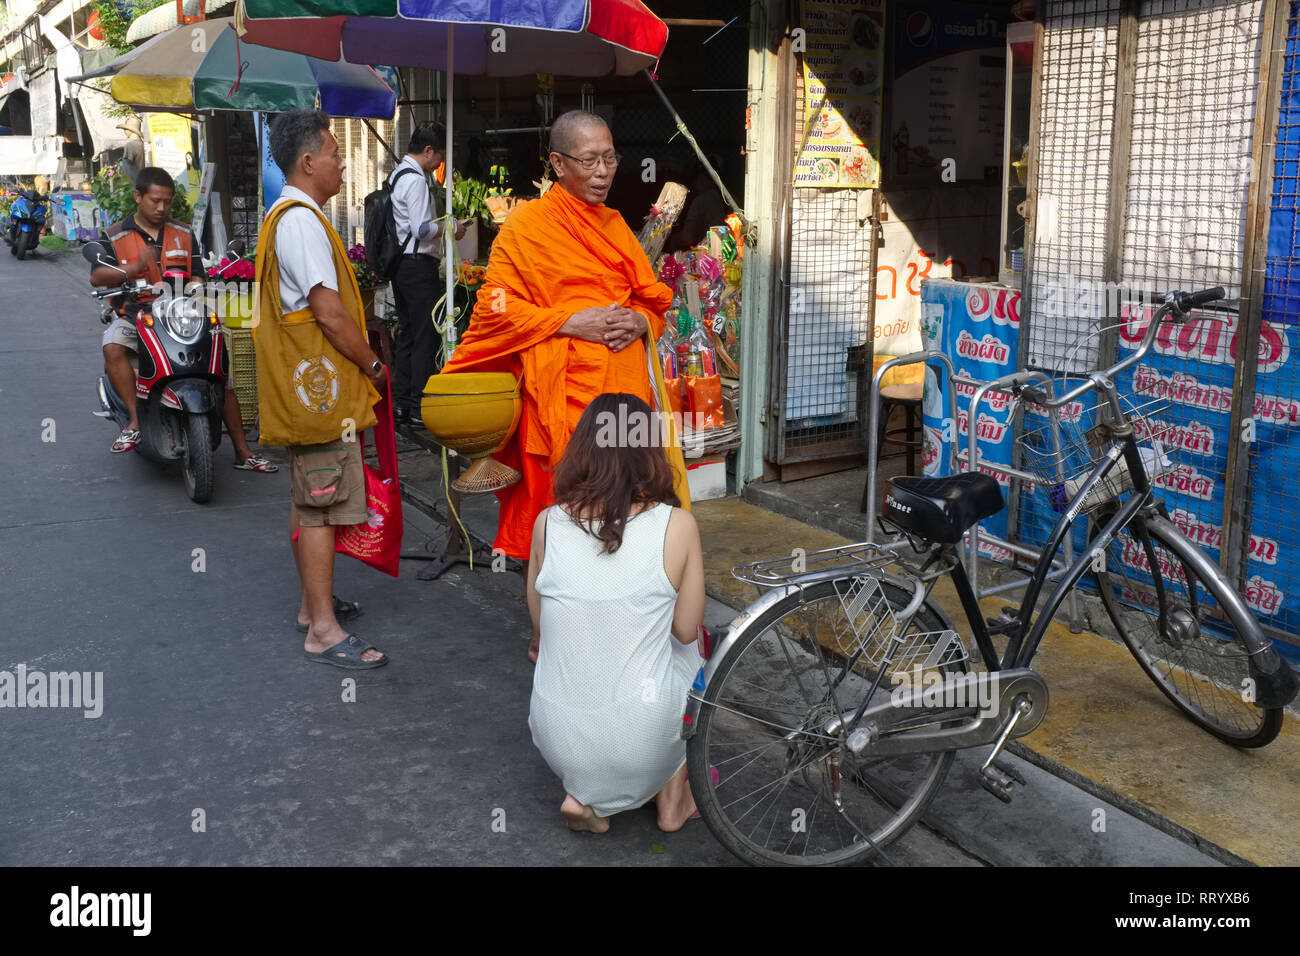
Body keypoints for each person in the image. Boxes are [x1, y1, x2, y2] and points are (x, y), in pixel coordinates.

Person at [439, 110, 691, 662]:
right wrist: (566, 321)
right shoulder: (527, 229)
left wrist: (641, 323)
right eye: (589, 160)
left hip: (624, 400)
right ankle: (548, 634)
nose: (603, 172)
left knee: (627, 507)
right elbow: (494, 308)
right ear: (557, 163)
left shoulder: (617, 226)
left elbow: (653, 301)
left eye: (610, 158)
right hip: (562, 401)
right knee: (565, 516)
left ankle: (615, 626)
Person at [528, 393, 705, 834]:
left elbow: (540, 632)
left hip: (553, 733)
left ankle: (585, 793)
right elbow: (685, 631)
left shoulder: (547, 523)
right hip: (639, 732)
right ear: (650, 450)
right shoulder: (676, 524)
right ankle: (673, 802)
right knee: (697, 659)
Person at [254, 109, 389, 669]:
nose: (342, 162)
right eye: (335, 153)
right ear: (308, 163)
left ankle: (315, 608)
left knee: (308, 494)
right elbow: (329, 314)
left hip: (306, 394)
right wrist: (373, 365)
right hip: (321, 394)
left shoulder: (287, 215)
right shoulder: (301, 221)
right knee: (319, 505)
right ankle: (323, 632)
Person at [90, 166, 276, 472]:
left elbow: (198, 272)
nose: (162, 208)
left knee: (220, 374)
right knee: (112, 344)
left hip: (183, 317)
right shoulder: (114, 235)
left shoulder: (184, 233)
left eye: (167, 201)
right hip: (136, 316)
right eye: (155, 201)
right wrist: (134, 267)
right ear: (138, 197)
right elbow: (97, 276)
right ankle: (135, 422)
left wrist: (200, 289)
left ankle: (243, 451)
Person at [388, 121, 467, 426]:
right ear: (429, 150)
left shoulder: (397, 175)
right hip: (417, 266)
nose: (440, 163)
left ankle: (404, 404)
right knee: (425, 336)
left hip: (401, 266)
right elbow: (422, 229)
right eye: (440, 156)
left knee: (409, 334)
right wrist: (452, 227)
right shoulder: (417, 180)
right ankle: (419, 403)